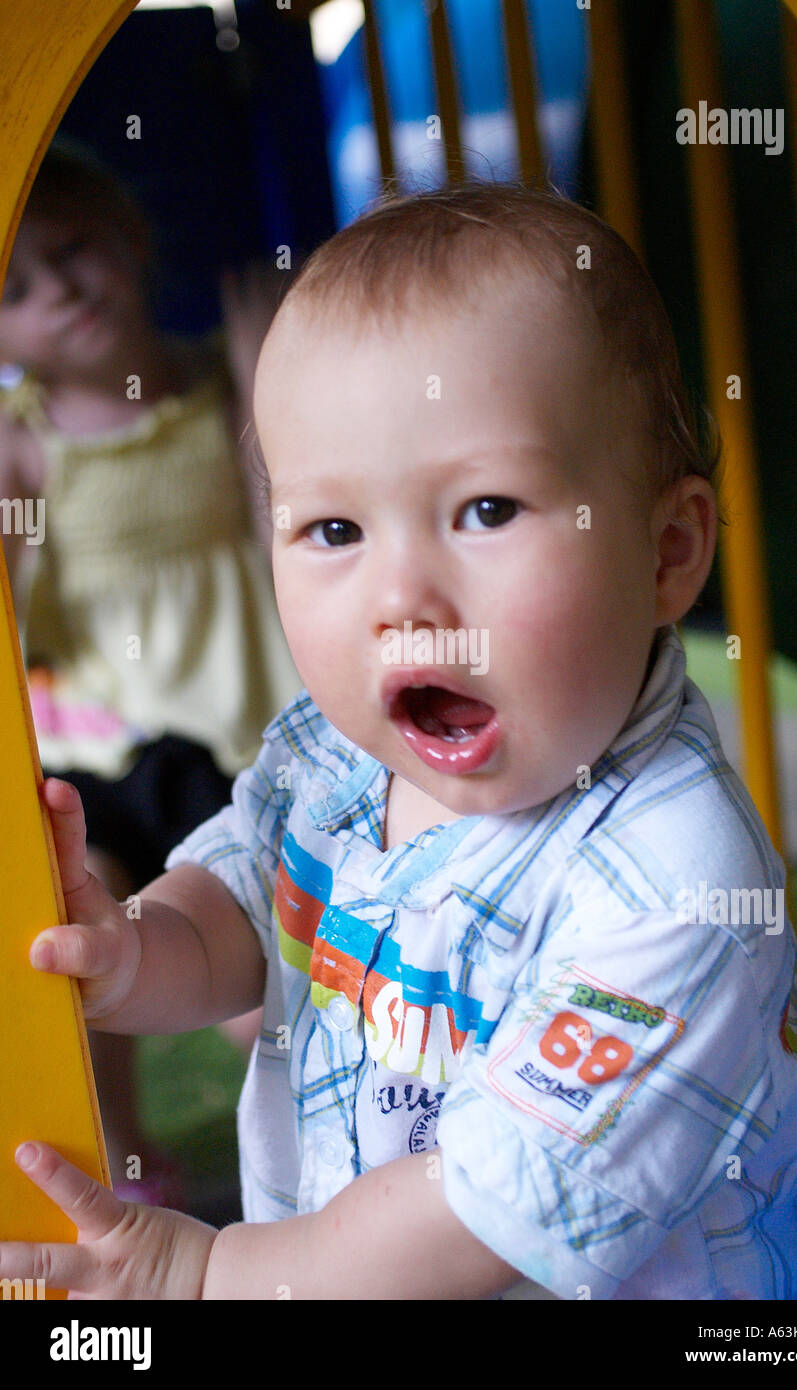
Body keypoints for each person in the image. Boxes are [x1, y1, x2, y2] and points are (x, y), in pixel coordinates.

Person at [1, 181, 797, 1299]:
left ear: (668, 551)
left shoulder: (675, 889)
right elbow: (250, 900)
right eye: (337, 528)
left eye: (486, 509)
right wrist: (137, 949)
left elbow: (478, 1217)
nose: (402, 594)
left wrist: (213, 1276)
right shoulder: (336, 751)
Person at [0, 141, 301, 1205]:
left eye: (75, 249)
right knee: (89, 945)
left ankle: (327, 1128)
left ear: (131, 238)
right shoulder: (28, 442)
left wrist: (272, 385)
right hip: (93, 748)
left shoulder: (219, 385)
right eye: (17, 288)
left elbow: (286, 531)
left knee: (250, 960)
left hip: (224, 735)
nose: (60, 292)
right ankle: (120, 1145)